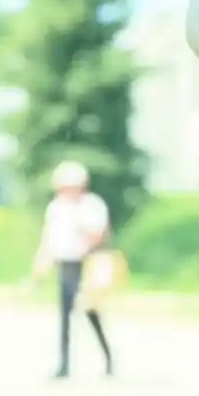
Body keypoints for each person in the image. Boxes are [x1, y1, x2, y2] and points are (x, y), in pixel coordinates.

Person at [32, 160, 114, 378]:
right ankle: (64, 364)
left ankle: (107, 358)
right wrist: (41, 266)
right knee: (65, 315)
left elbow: (98, 236)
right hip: (66, 264)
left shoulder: (91, 205)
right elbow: (49, 240)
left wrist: (80, 224)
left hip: (88, 263)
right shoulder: (56, 208)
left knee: (91, 313)